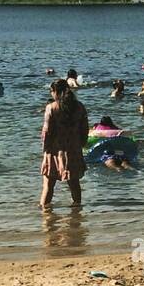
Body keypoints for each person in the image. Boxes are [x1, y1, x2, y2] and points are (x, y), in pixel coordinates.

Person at [40, 78, 89, 208]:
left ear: (56, 92)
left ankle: (45, 213)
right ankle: (77, 210)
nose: (51, 94)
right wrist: (81, 144)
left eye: (51, 91)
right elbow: (85, 129)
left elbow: (46, 132)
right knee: (74, 183)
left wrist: (45, 149)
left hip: (55, 150)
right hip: (73, 149)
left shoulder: (51, 107)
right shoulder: (79, 106)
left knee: (48, 184)